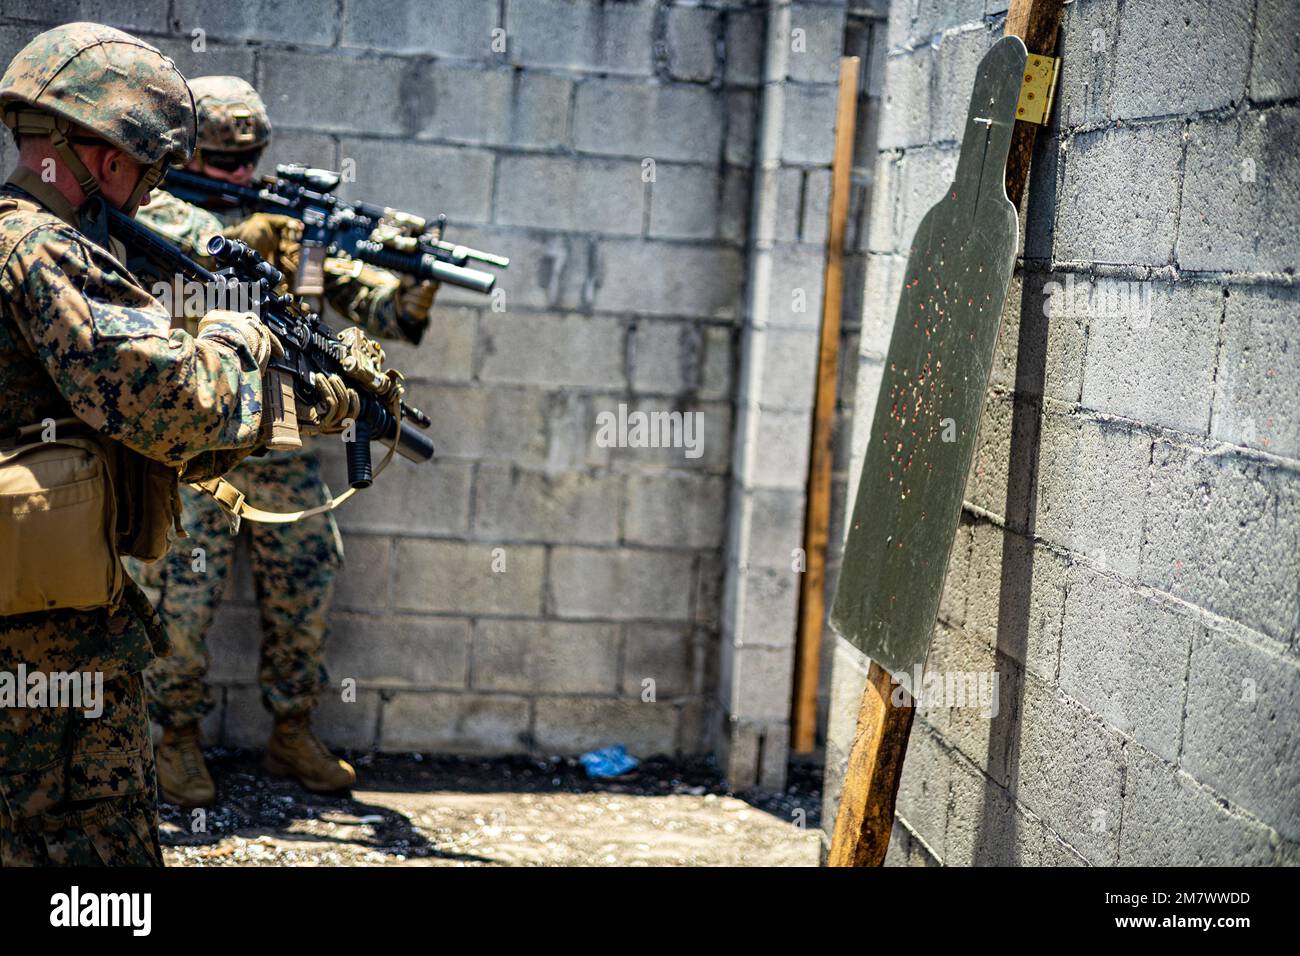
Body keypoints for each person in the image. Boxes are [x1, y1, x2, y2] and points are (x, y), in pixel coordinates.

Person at [0, 23, 279, 866]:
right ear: (101, 151)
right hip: (43, 650)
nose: (137, 191)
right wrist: (239, 338)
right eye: (142, 166)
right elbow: (176, 403)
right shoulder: (42, 250)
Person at [134, 76, 439, 807]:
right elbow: (188, 267)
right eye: (222, 161)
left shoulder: (280, 219)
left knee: (307, 581)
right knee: (180, 599)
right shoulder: (152, 210)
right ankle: (173, 738)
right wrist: (248, 241)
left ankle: (292, 728)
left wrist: (410, 284)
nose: (239, 175)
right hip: (194, 446)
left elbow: (351, 299)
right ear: (186, 151)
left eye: (249, 161)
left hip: (279, 442)